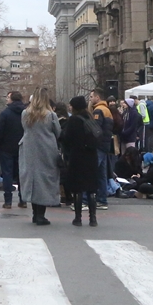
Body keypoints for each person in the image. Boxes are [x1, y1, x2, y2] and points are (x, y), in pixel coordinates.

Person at [20, 87, 62, 225]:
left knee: (32, 179)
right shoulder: (51, 115)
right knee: (45, 180)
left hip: (29, 150)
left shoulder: (25, 113)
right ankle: (41, 215)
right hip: (46, 150)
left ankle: (35, 213)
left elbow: (24, 128)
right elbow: (58, 132)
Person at [61, 96, 101, 226]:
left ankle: (78, 218)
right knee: (91, 189)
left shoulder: (73, 120)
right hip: (92, 157)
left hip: (77, 157)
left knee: (77, 189)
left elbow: (67, 139)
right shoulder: (90, 118)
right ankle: (93, 218)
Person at [0, 91, 27, 210]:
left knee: (7, 174)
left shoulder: (5, 113)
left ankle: (8, 201)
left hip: (6, 148)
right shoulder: (26, 113)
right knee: (22, 173)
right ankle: (23, 200)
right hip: (22, 147)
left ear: (12, 99)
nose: (6, 99)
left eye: (8, 97)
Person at [88, 88, 116, 209]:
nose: (90, 99)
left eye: (91, 97)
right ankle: (102, 200)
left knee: (91, 171)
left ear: (97, 97)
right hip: (105, 145)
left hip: (98, 146)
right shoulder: (107, 110)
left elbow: (96, 129)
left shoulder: (98, 111)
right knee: (102, 174)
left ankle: (85, 200)